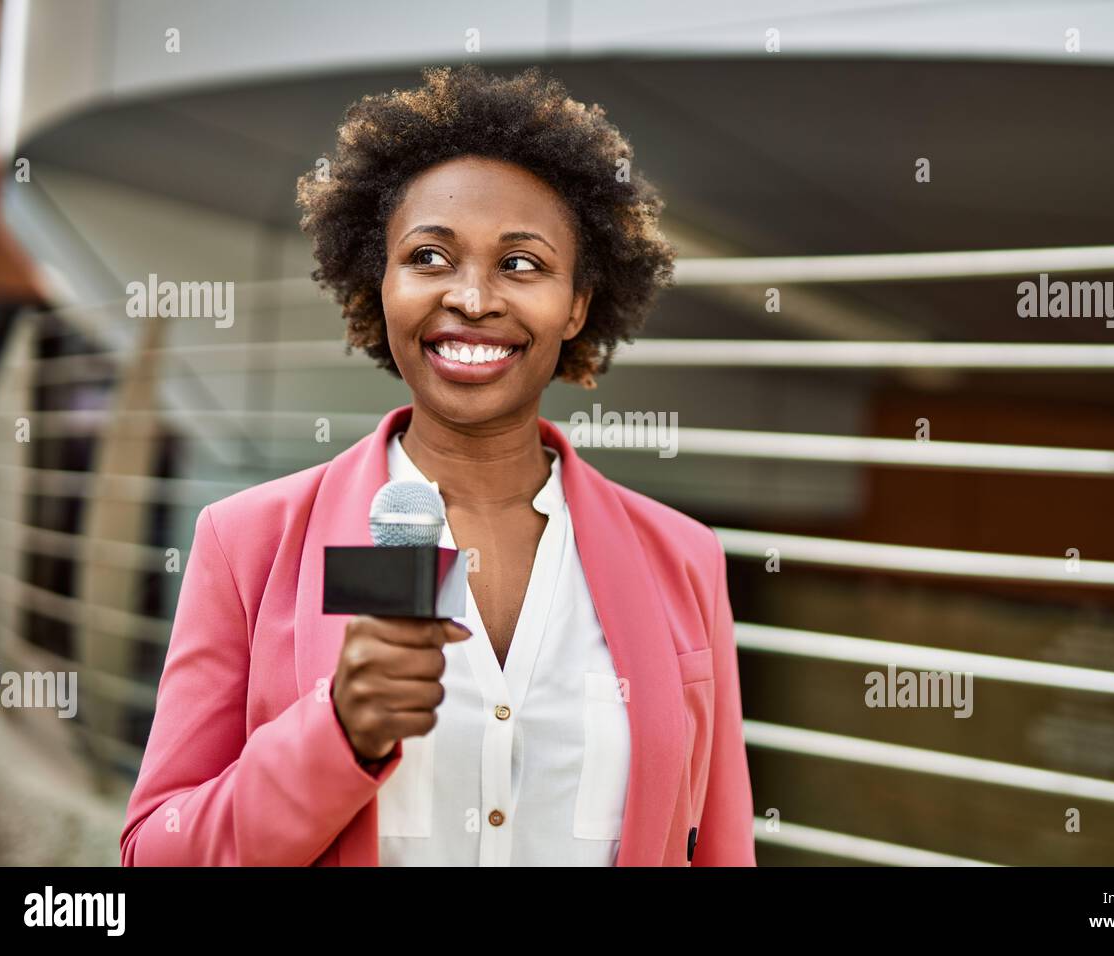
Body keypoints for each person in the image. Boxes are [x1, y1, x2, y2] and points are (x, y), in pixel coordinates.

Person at [120, 64, 755, 866]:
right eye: (428, 257)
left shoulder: (683, 559)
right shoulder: (248, 543)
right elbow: (155, 854)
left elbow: (722, 844)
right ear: (377, 283)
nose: (473, 298)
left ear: (578, 305)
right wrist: (336, 732)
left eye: (521, 265)